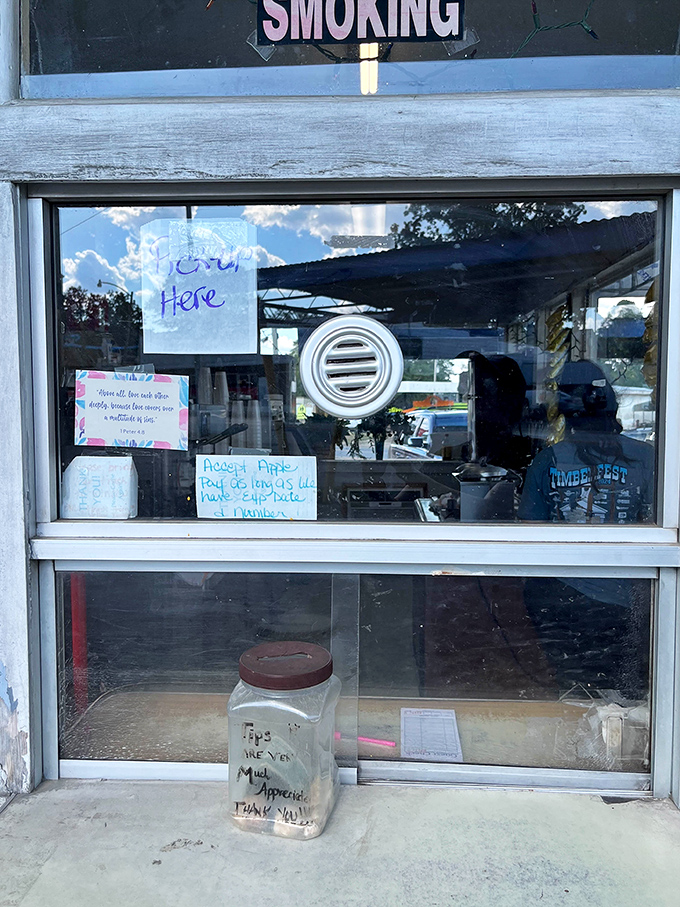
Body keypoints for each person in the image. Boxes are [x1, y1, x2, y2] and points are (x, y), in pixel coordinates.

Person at [518, 360, 654, 524]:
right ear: (610, 402)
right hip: (630, 550)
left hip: (564, 550)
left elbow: (531, 532)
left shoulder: (547, 461)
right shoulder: (645, 455)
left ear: (564, 411)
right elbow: (658, 524)